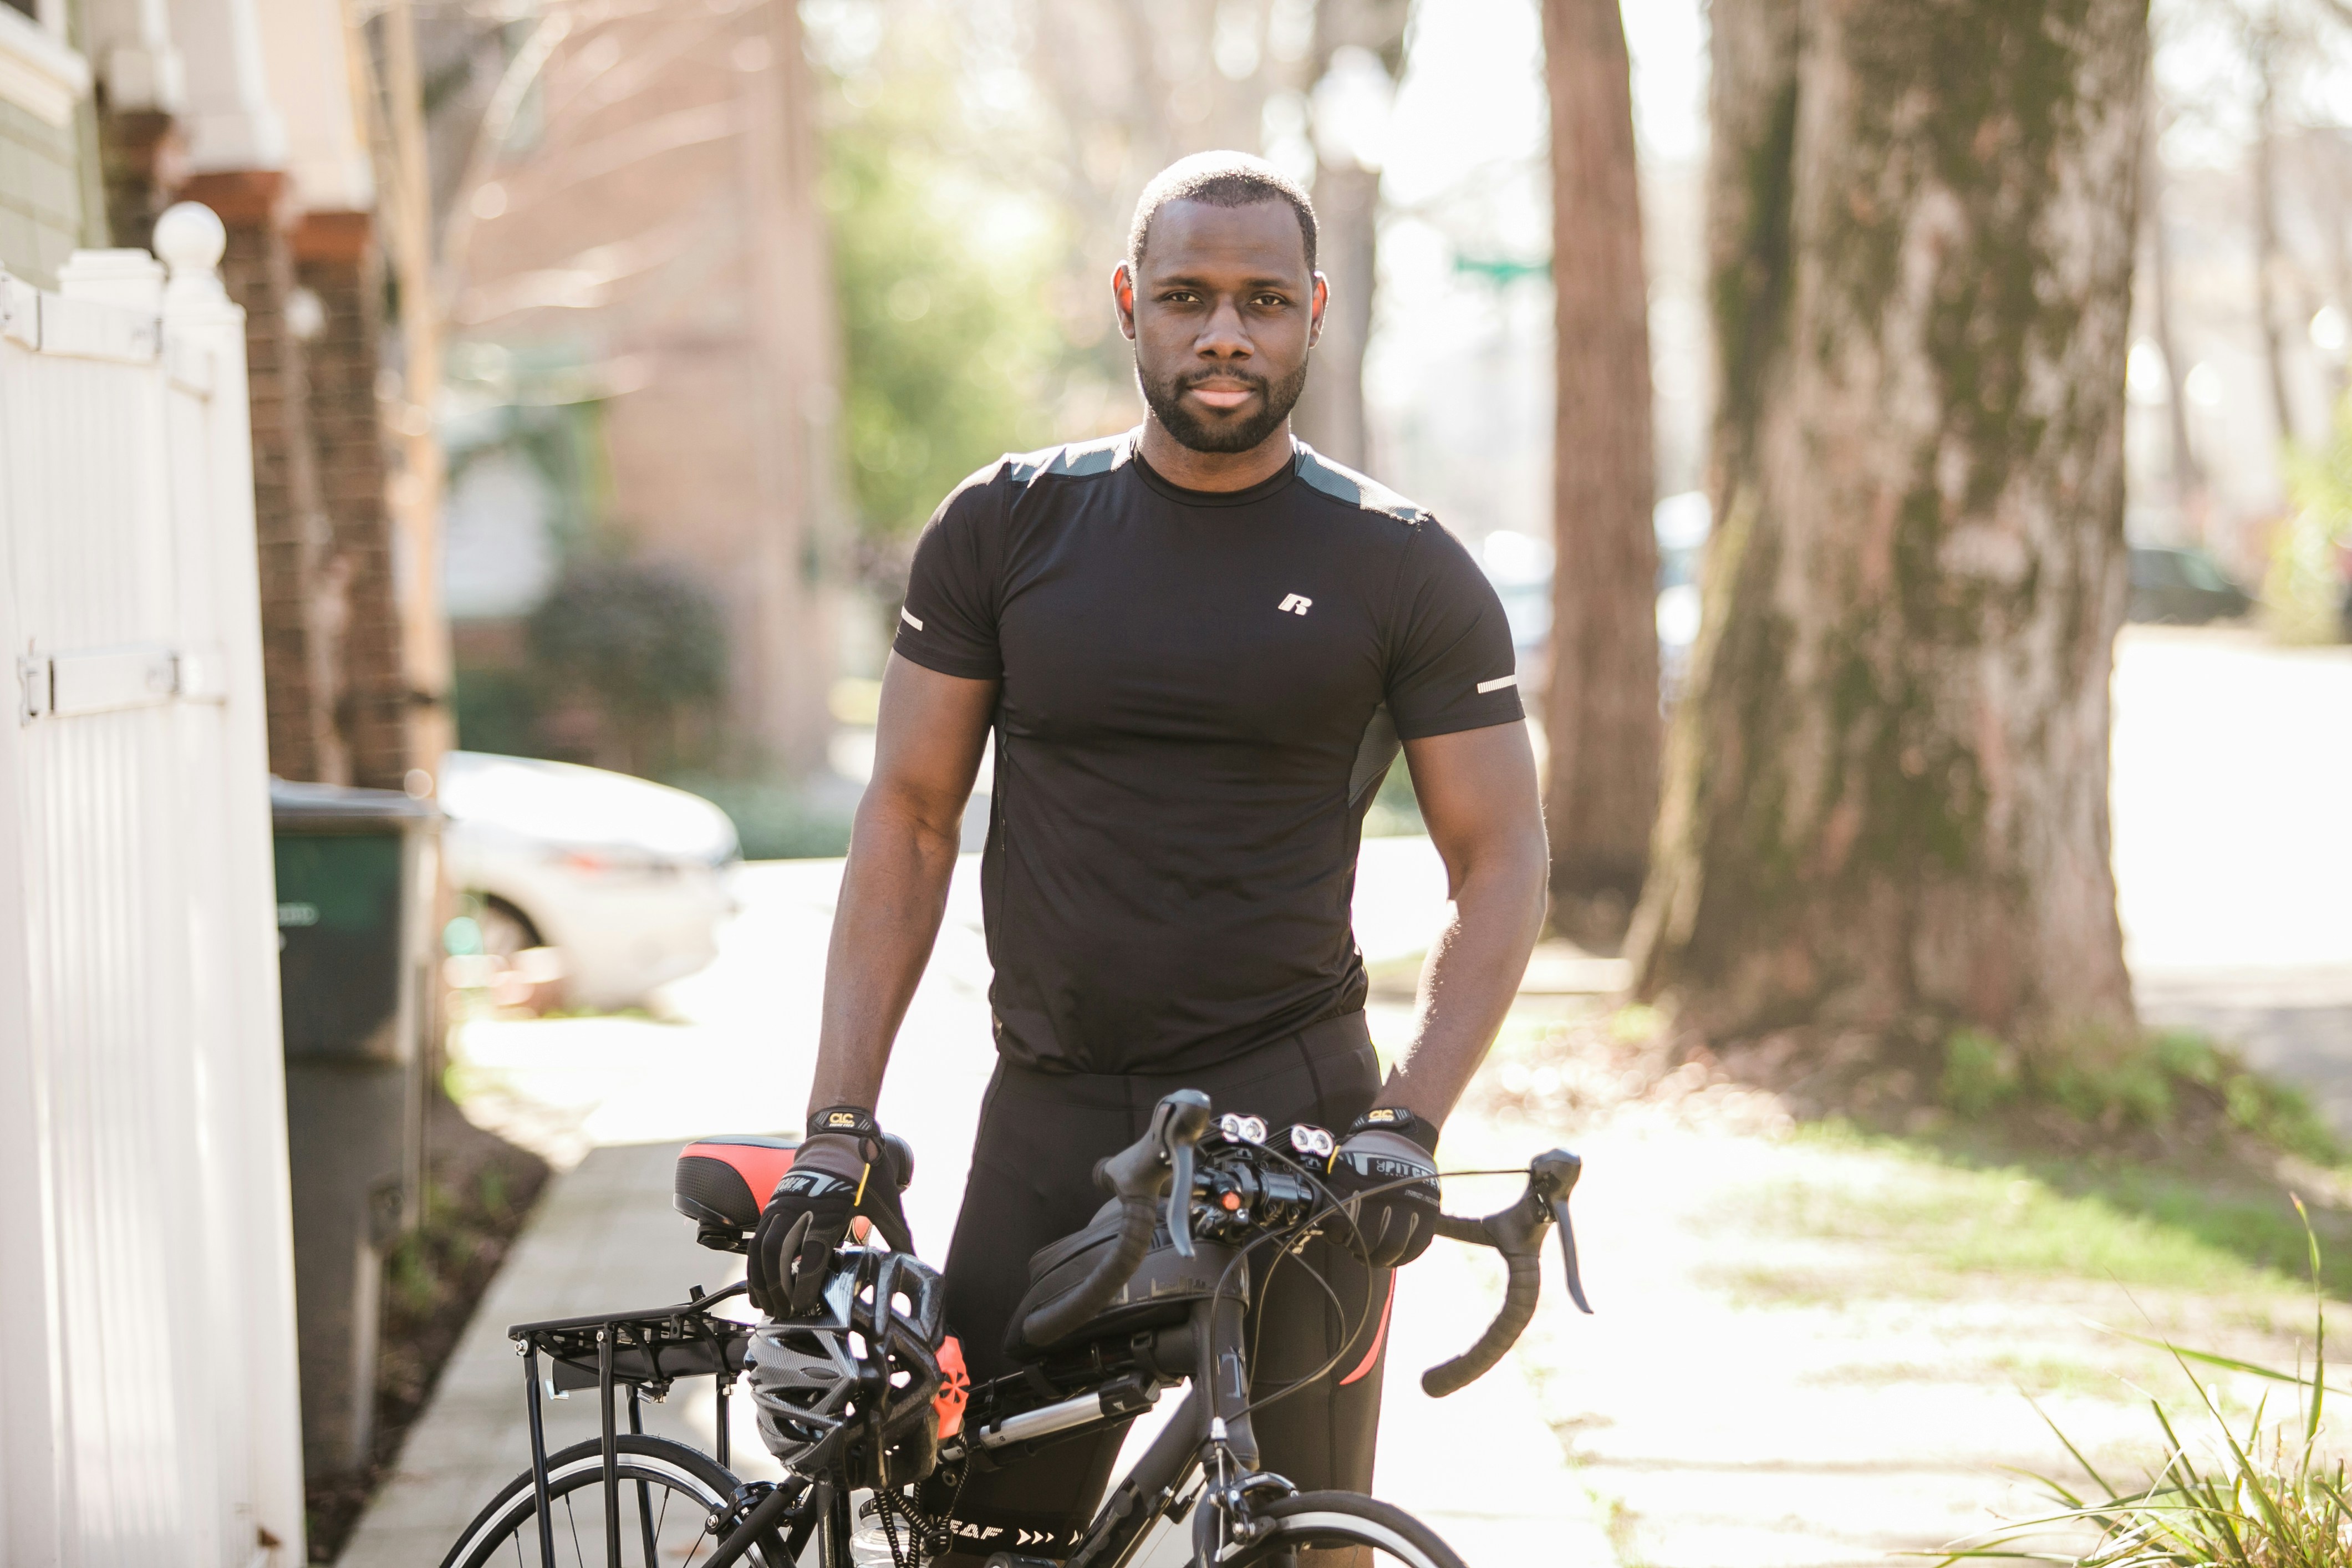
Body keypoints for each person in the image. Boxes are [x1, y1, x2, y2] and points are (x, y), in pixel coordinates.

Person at [746, 150, 1548, 1564]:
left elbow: (1502, 858)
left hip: (1294, 1123)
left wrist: (1409, 1120)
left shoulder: (1403, 563)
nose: (1224, 333)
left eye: (1263, 301)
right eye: (1187, 297)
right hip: (1051, 1112)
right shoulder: (1006, 523)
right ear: (1129, 303)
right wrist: (837, 1122)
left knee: (1305, 1542)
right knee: (985, 1539)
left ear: (1315, 311)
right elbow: (910, 819)